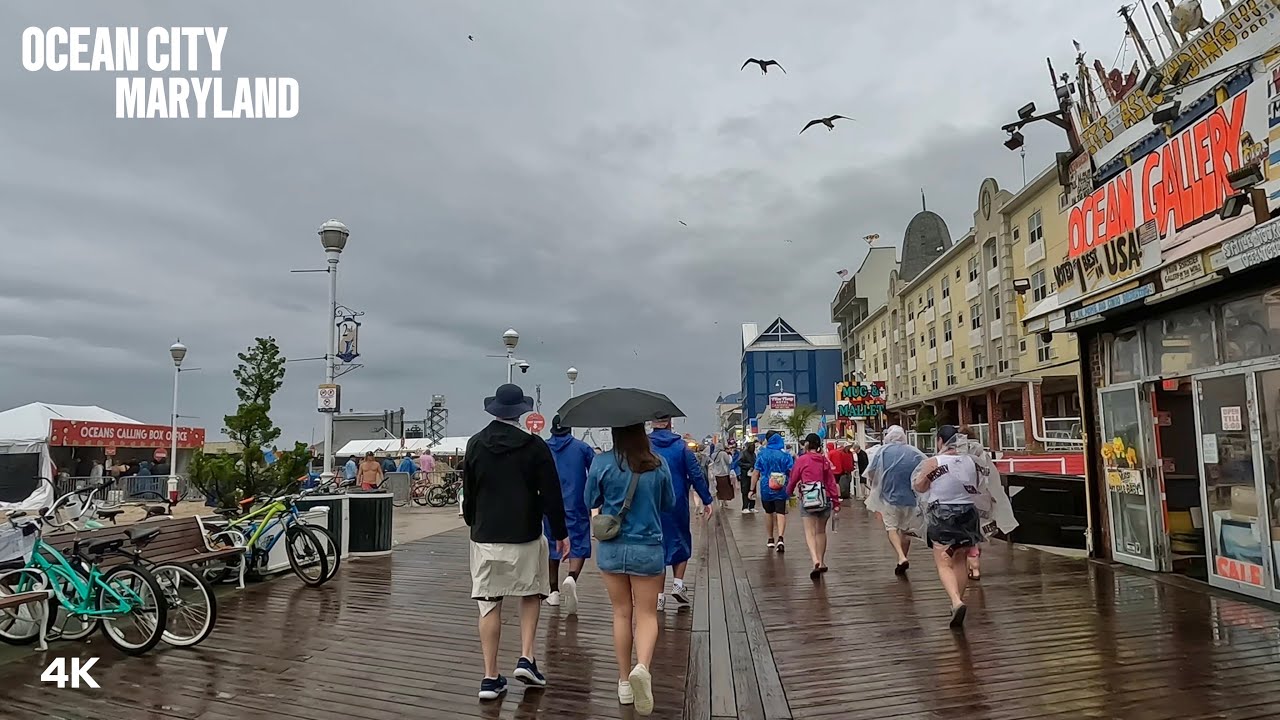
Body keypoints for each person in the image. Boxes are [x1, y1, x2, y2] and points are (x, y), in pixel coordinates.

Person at [462, 383, 569, 700]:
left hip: (485, 536)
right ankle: (526, 657)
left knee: (488, 603)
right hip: (524, 533)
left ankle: (490, 676)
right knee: (531, 593)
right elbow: (551, 494)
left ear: (494, 410)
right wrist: (560, 533)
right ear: (521, 412)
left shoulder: (475, 444)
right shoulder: (534, 447)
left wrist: (473, 520)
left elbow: (470, 492)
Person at [586, 423, 676, 715]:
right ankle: (643, 667)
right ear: (641, 433)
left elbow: (590, 501)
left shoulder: (601, 462)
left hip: (612, 550)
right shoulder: (657, 464)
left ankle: (624, 681)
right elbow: (669, 503)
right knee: (647, 614)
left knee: (621, 613)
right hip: (648, 548)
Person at [911, 425, 983, 628]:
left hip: (942, 513)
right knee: (960, 559)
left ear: (940, 441)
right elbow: (977, 484)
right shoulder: (970, 461)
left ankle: (955, 601)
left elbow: (919, 486)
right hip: (968, 513)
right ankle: (957, 601)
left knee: (944, 561)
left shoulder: (934, 462)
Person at [649, 417, 713, 611]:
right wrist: (707, 499)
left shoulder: (644, 445)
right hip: (677, 500)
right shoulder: (681, 446)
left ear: (651, 424)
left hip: (651, 502)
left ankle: (659, 597)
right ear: (669, 423)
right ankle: (678, 583)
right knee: (681, 539)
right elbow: (695, 473)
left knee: (657, 545)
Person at [544, 415, 595, 614]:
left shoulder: (544, 448)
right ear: (570, 429)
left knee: (552, 543)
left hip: (549, 503)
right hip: (577, 502)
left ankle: (553, 591)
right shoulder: (582, 448)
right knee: (579, 543)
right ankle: (572, 577)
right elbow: (595, 472)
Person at [864, 425, 927, 575]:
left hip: (889, 497)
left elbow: (871, 472)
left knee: (891, 528)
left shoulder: (882, 452)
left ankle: (900, 556)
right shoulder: (914, 452)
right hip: (910, 498)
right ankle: (903, 557)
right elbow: (926, 468)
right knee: (905, 531)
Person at [787, 433, 841, 579]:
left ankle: (814, 560)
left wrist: (789, 492)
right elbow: (831, 483)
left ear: (807, 445)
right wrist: (836, 502)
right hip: (825, 499)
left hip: (808, 499)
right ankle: (822, 561)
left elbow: (793, 479)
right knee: (821, 532)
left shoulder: (802, 460)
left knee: (809, 532)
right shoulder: (824, 461)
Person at [752, 431, 794, 551]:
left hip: (766, 487)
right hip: (781, 487)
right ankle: (780, 538)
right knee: (780, 512)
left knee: (768, 512)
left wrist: (752, 489)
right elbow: (791, 472)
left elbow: (756, 473)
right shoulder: (785, 455)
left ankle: (770, 538)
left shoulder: (762, 454)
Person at [707, 442, 736, 509]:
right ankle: (724, 501)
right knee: (725, 488)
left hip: (716, 474)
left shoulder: (713, 455)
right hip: (724, 473)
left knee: (718, 488)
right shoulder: (723, 453)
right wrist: (730, 456)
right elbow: (728, 461)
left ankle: (720, 501)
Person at [736, 442, 758, 513]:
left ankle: (752, 506)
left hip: (753, 474)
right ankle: (745, 507)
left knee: (753, 490)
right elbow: (739, 462)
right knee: (745, 490)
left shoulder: (754, 454)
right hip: (745, 474)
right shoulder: (743, 453)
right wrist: (748, 466)